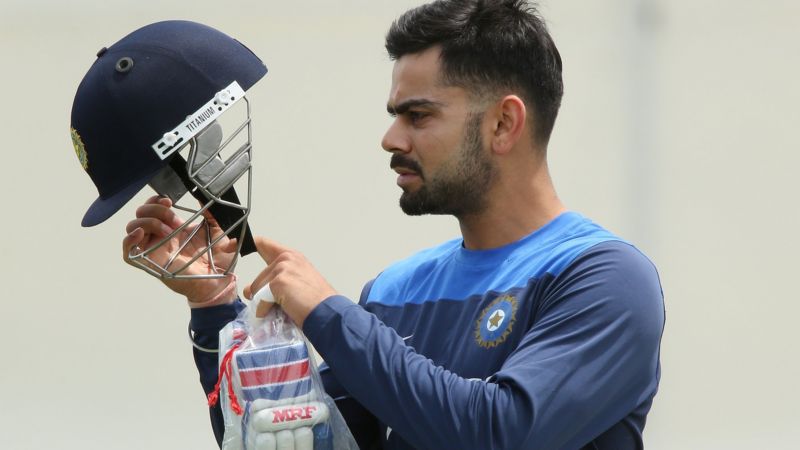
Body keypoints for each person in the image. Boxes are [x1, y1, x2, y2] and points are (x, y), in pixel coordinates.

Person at [124, 1, 665, 449]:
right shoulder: (395, 289)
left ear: (504, 123)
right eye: (394, 115)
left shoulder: (605, 278)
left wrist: (329, 316)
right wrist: (215, 306)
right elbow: (291, 442)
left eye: (419, 116)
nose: (391, 139)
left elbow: (501, 433)